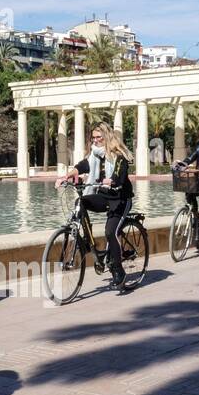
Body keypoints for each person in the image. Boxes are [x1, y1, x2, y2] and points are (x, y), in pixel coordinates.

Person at [61, 123, 135, 291]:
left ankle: (118, 271)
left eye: (99, 137)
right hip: (104, 196)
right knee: (82, 202)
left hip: (120, 198)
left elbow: (119, 175)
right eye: (93, 137)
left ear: (106, 136)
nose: (96, 140)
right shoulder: (94, 154)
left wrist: (112, 180)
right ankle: (89, 242)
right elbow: (83, 166)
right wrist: (68, 175)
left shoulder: (119, 155)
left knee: (110, 231)